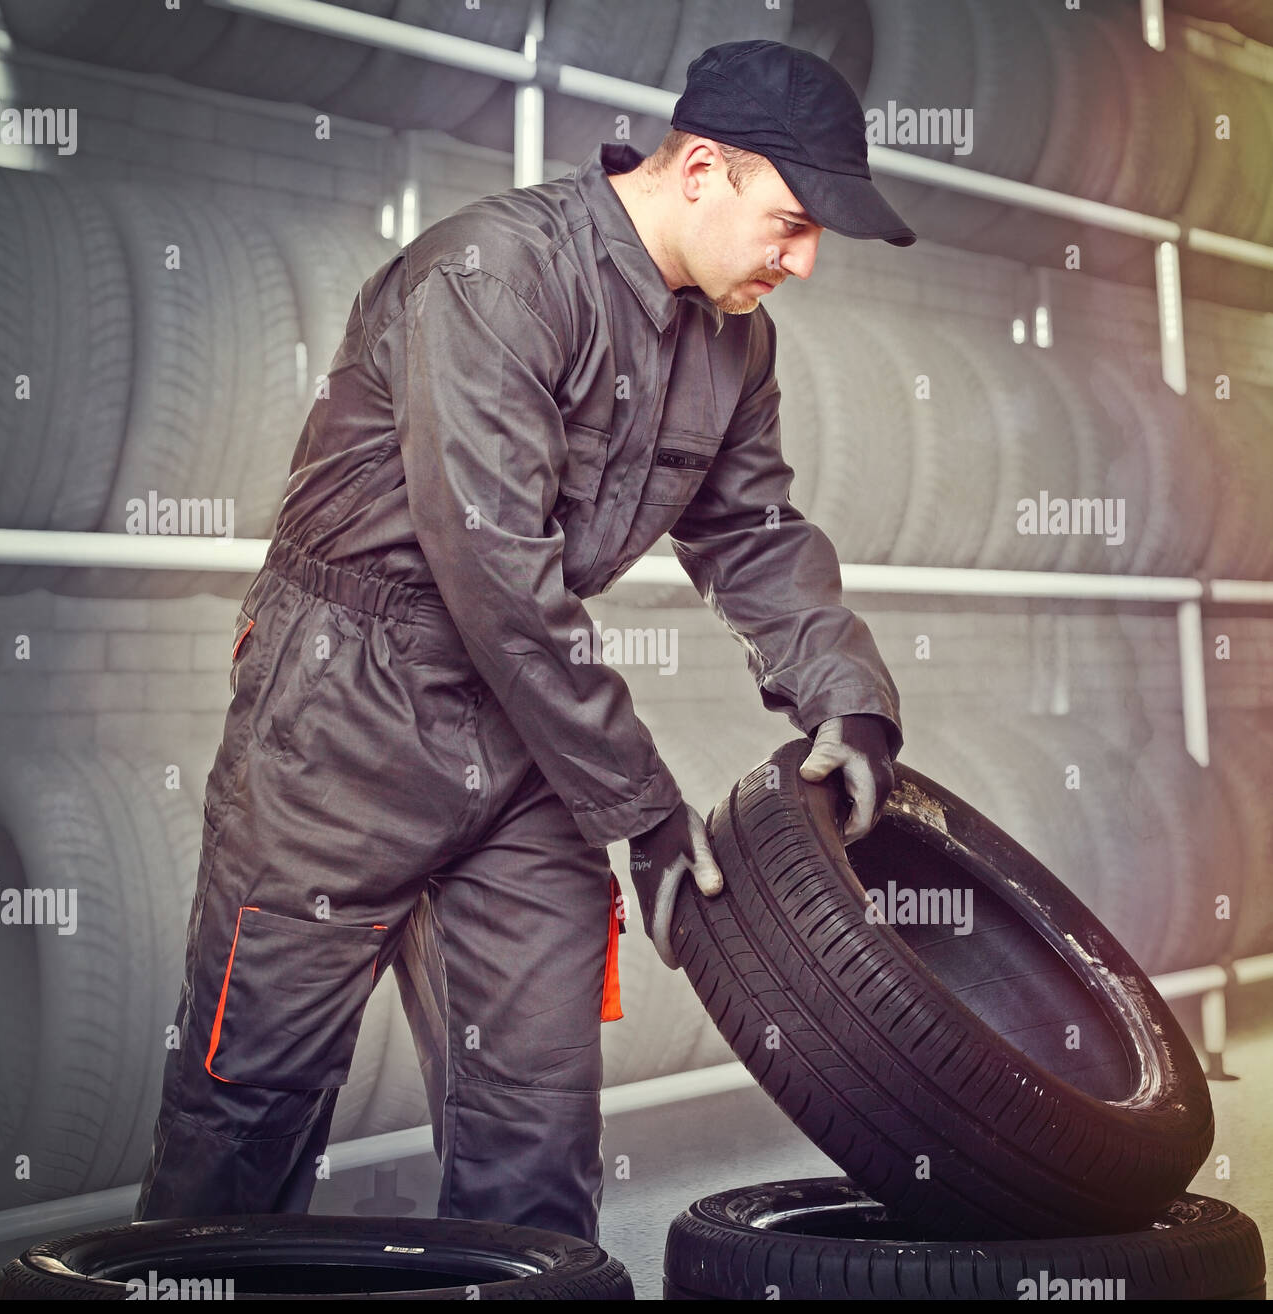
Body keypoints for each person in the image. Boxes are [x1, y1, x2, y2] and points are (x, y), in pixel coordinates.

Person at [134, 39, 915, 1244]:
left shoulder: (734, 338)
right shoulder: (494, 276)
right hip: (341, 718)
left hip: (529, 743)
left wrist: (846, 696)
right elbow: (493, 572)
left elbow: (752, 530)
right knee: (246, 1118)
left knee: (536, 1131)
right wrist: (648, 816)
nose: (802, 263)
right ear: (700, 168)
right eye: (792, 223)